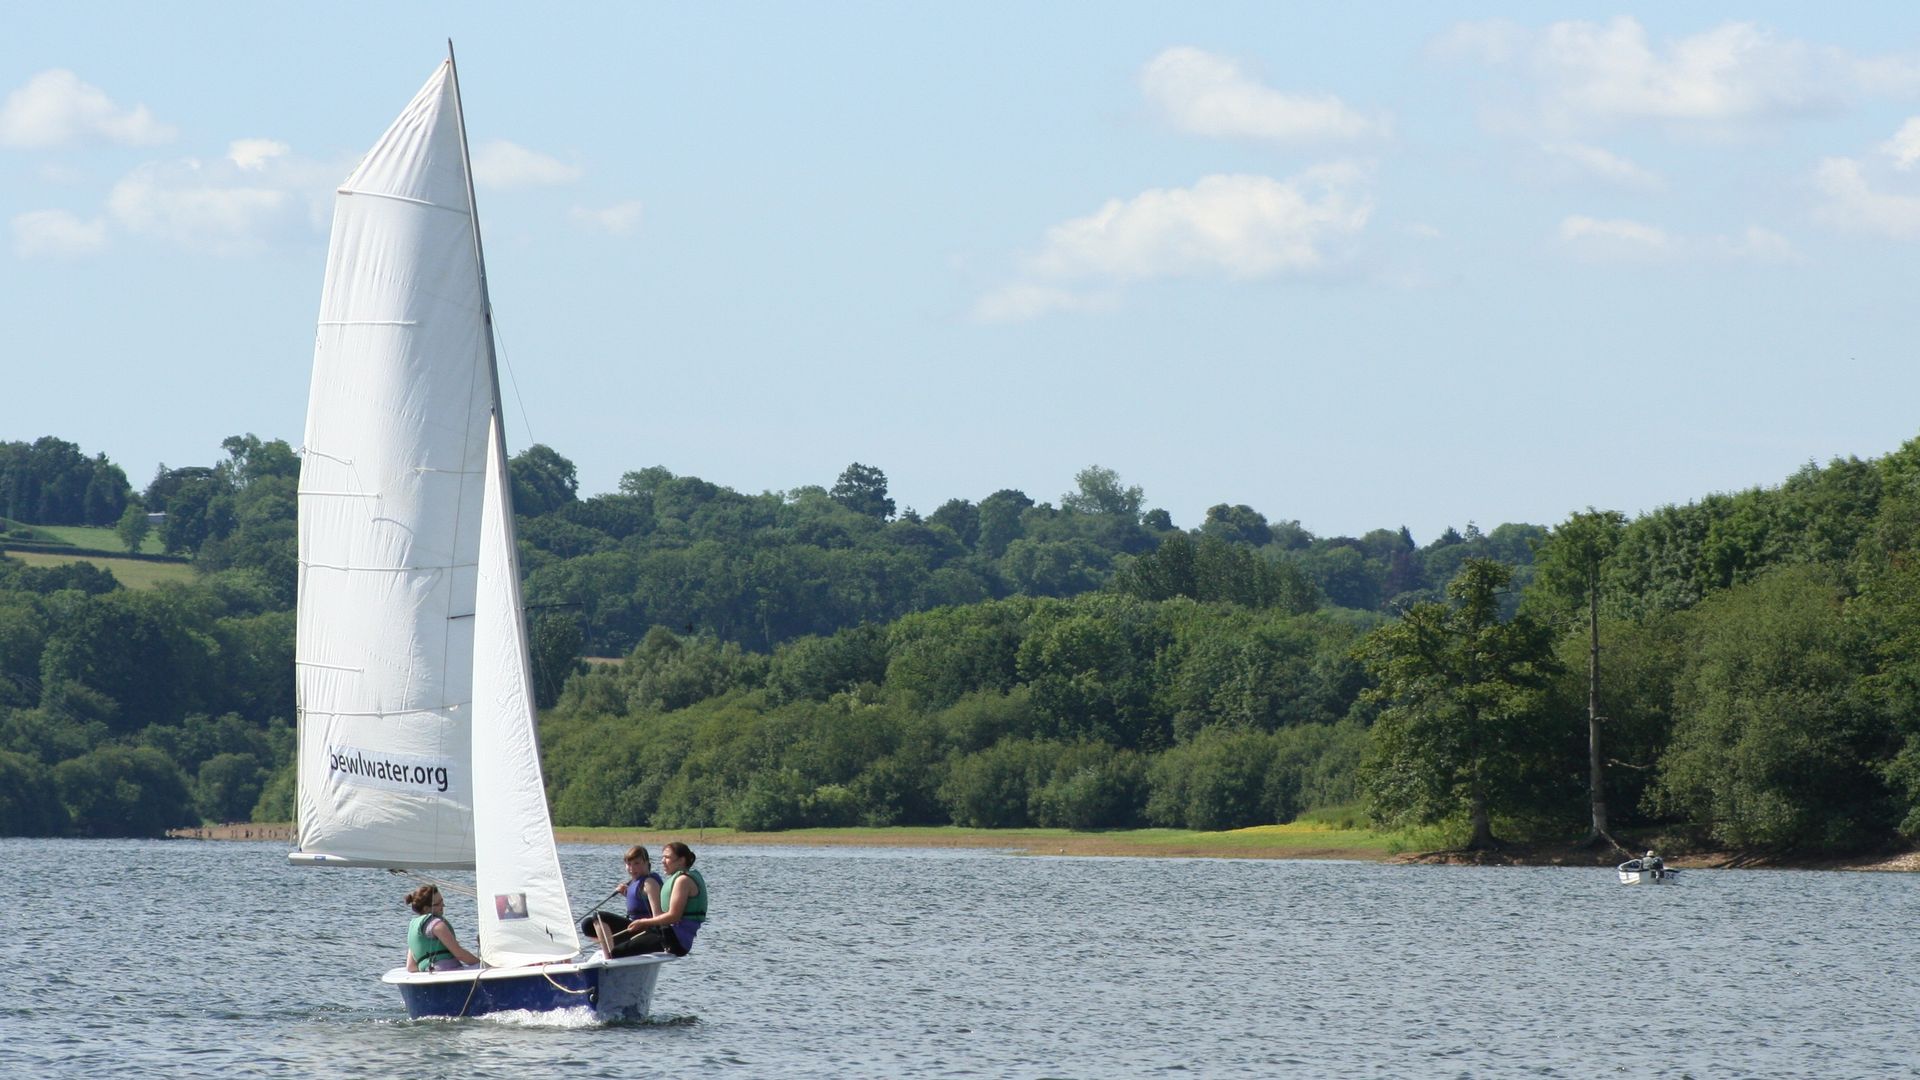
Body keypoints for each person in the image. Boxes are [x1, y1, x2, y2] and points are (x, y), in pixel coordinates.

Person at [608, 841, 707, 957]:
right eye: (662, 857)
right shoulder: (684, 877)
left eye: (667, 857)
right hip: (668, 933)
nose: (662, 861)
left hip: (675, 940)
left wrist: (643, 922)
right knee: (619, 946)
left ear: (681, 860)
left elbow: (674, 916)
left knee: (617, 952)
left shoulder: (683, 880)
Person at [581, 845, 663, 945]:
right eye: (628, 864)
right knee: (587, 924)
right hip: (632, 927)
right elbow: (640, 900)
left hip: (645, 930)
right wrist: (627, 893)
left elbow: (657, 915)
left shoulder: (649, 882)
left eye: (637, 863)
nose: (632, 868)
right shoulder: (634, 882)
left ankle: (611, 954)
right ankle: (612, 946)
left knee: (599, 916)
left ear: (646, 863)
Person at [405, 884, 481, 973]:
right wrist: (483, 965)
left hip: (429, 973)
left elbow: (411, 967)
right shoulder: (437, 925)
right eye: (438, 904)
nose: (443, 906)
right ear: (426, 908)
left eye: (442, 902)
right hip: (447, 971)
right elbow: (460, 954)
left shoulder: (414, 927)